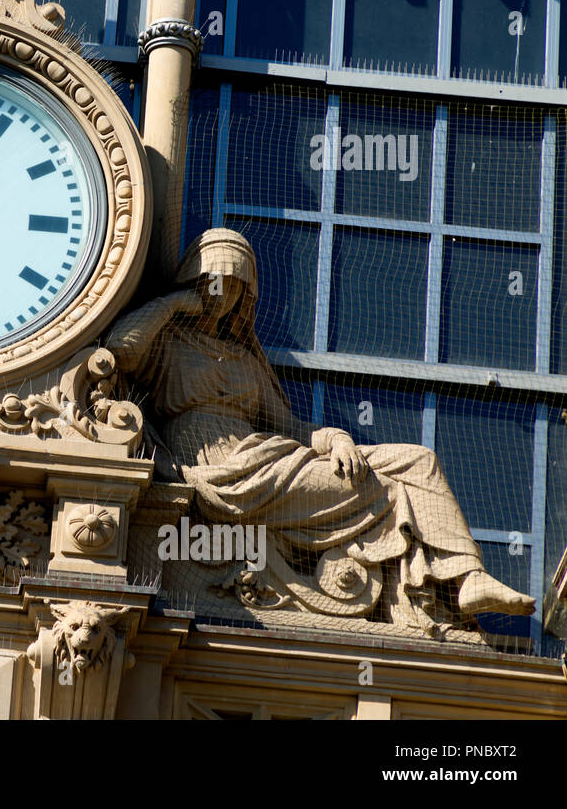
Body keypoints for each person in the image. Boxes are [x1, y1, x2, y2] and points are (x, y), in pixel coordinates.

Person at [106, 228, 534, 629]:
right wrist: (173, 305)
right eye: (214, 279)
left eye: (236, 285)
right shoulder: (168, 344)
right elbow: (118, 352)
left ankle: (468, 575)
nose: (223, 292)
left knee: (418, 460)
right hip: (223, 472)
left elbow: (289, 425)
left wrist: (337, 438)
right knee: (386, 487)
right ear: (193, 279)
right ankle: (431, 583)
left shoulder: (246, 360)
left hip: (267, 456)